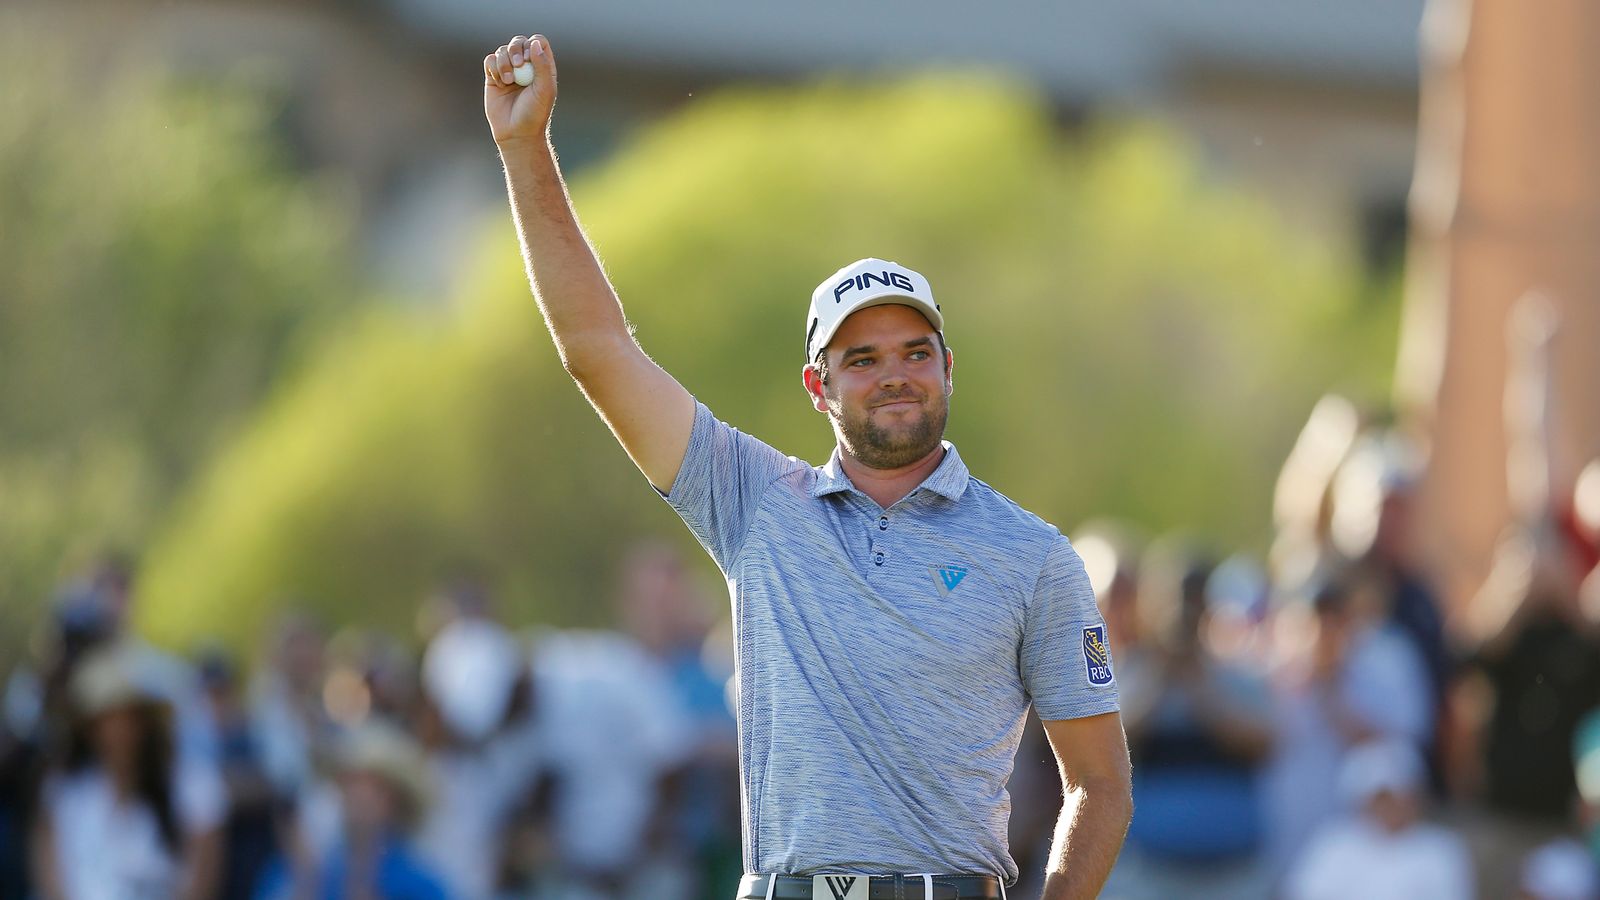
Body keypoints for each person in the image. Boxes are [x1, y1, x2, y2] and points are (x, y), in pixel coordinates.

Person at [483, 33, 1131, 900]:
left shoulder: (1034, 556)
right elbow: (598, 350)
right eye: (860, 359)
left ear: (947, 367)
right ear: (817, 386)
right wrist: (525, 150)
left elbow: (1100, 785)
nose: (894, 373)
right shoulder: (754, 499)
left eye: (914, 350)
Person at [1283, 740, 1472, 900]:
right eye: (1384, 798)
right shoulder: (1333, 844)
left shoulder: (1441, 849)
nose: (1395, 806)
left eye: (1403, 794)